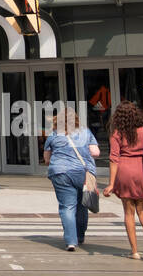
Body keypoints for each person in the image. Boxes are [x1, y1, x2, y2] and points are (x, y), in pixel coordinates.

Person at [103, 101, 143, 260]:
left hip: (124, 170)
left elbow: (113, 158)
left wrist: (111, 183)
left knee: (129, 212)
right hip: (142, 171)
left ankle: (135, 251)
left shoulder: (117, 133)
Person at [43, 105, 100, 250]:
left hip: (61, 172)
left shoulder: (54, 135)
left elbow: (47, 159)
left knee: (67, 207)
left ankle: (71, 241)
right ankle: (80, 235)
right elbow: (96, 152)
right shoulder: (85, 132)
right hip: (82, 172)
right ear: (75, 120)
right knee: (82, 205)